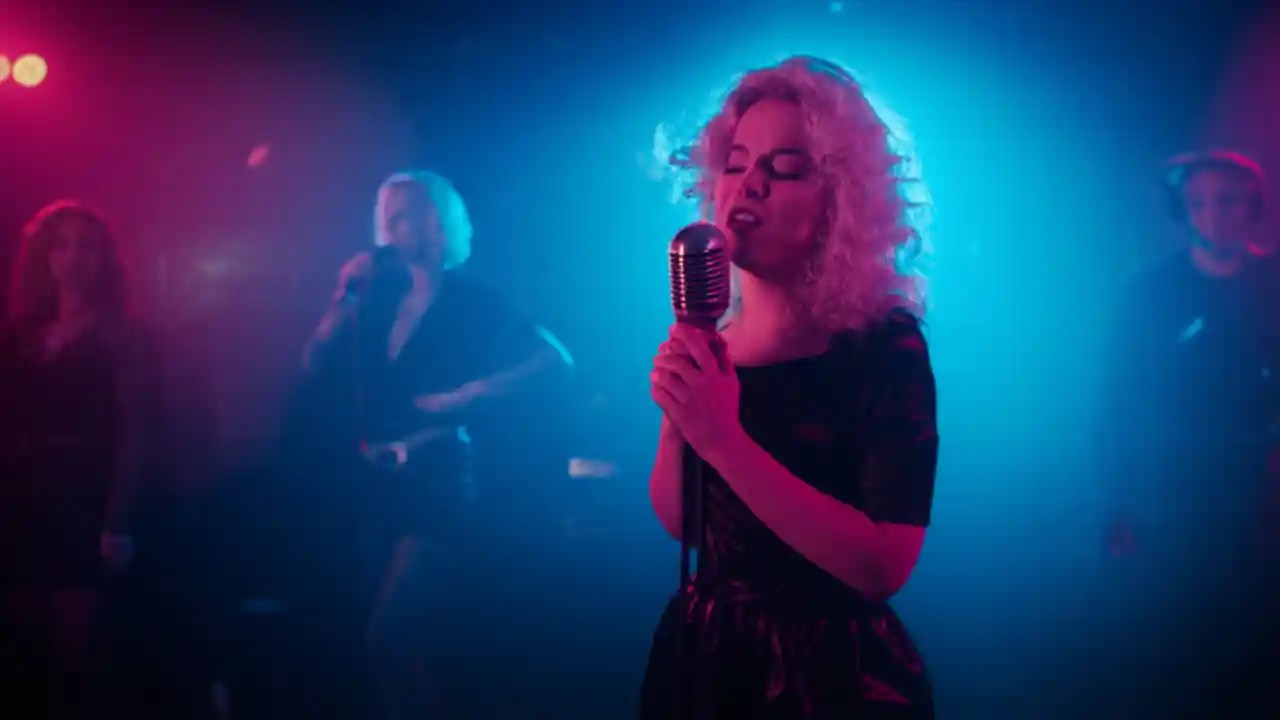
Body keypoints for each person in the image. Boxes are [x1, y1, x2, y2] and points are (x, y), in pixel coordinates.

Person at [639, 56, 939, 719]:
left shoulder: (884, 348)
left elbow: (882, 566)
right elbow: (681, 523)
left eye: (785, 169)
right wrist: (680, 418)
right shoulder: (714, 333)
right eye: (737, 163)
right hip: (709, 659)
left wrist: (723, 439)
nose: (749, 185)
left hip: (831, 673)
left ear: (841, 202)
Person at [299, 170, 569, 719]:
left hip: (440, 480)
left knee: (390, 636)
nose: (392, 230)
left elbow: (553, 361)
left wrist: (471, 392)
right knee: (413, 653)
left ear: (436, 223)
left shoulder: (472, 299)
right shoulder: (377, 304)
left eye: (405, 215)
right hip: (377, 488)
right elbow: (312, 365)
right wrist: (341, 299)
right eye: (387, 218)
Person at [1098, 151, 1279, 715]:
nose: (1214, 214)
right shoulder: (1149, 295)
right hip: (1172, 502)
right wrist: (1115, 505)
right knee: (1177, 652)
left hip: (1258, 503)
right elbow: (1117, 404)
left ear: (1251, 204)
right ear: (1183, 210)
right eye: (1199, 203)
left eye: (1226, 201)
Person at [0, 200, 152, 718]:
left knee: (78, 657)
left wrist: (118, 520)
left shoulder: (122, 335)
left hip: (85, 501)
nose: (73, 258)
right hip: (24, 504)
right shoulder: (21, 335)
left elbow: (136, 429)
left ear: (104, 258)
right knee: (25, 656)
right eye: (61, 245)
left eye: (87, 246)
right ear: (44, 256)